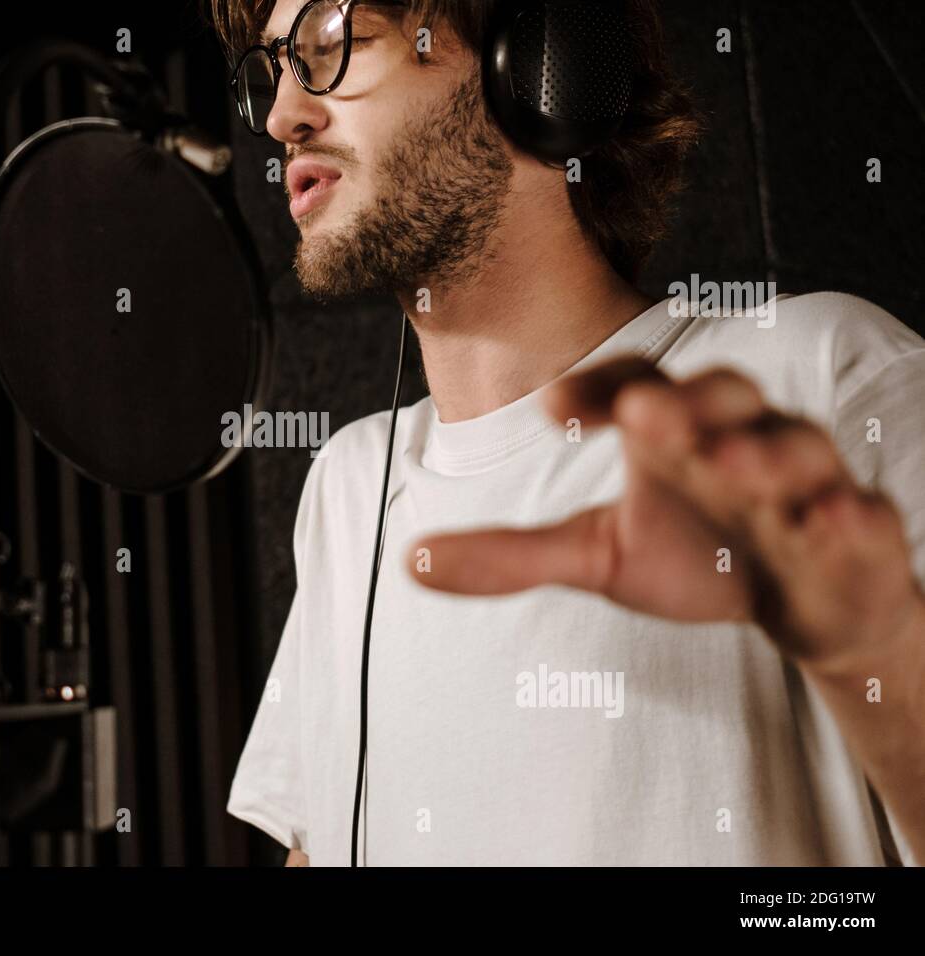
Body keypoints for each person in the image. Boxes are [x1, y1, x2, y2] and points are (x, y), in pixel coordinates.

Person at [211, 0, 925, 865]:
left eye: (333, 44)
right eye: (271, 69)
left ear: (543, 64)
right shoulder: (349, 488)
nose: (285, 115)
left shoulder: (823, 378)